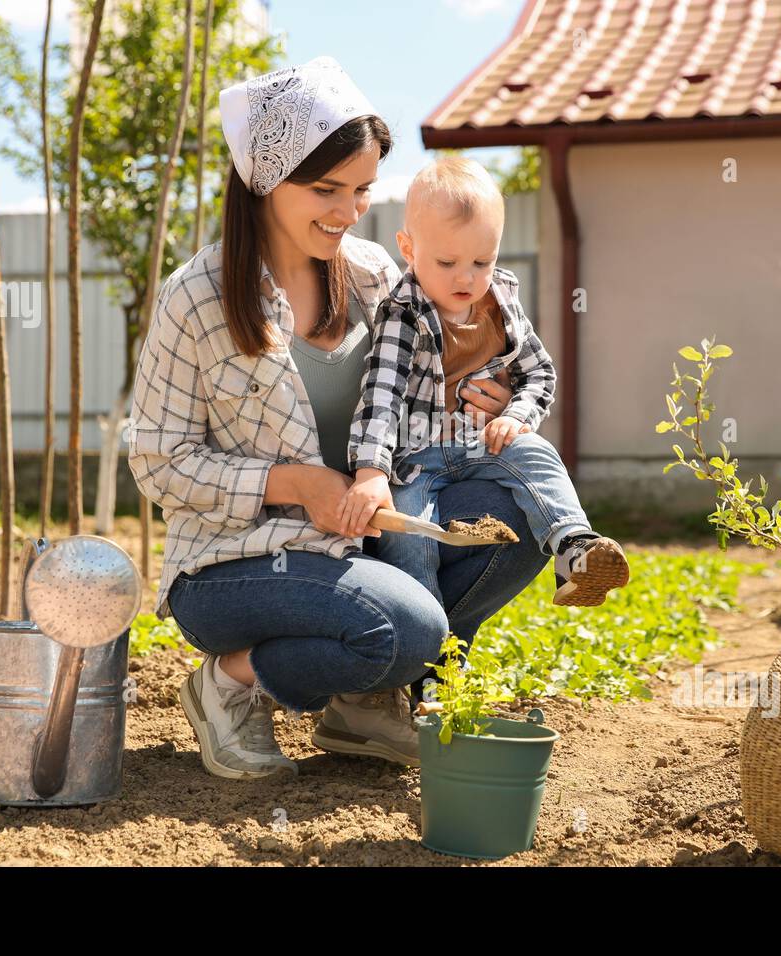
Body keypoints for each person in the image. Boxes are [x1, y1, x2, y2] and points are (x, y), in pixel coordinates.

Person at [127, 57, 548, 781]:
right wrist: (296, 483)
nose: (349, 210)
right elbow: (157, 461)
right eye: (326, 189)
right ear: (264, 180)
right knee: (414, 626)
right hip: (236, 564)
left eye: (361, 191)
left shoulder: (376, 275)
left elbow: (428, 392)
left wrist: (489, 396)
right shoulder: (193, 299)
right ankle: (229, 681)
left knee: (527, 511)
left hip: (367, 538)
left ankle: (365, 699)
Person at [339, 156, 630, 608]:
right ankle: (423, 637)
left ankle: (575, 549)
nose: (467, 277)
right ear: (409, 249)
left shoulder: (501, 303)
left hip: (482, 442)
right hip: (417, 455)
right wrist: (370, 470)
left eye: (482, 260)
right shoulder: (405, 313)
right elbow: (382, 394)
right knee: (408, 530)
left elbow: (539, 373)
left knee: (536, 453)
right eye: (448, 261)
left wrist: (515, 414)